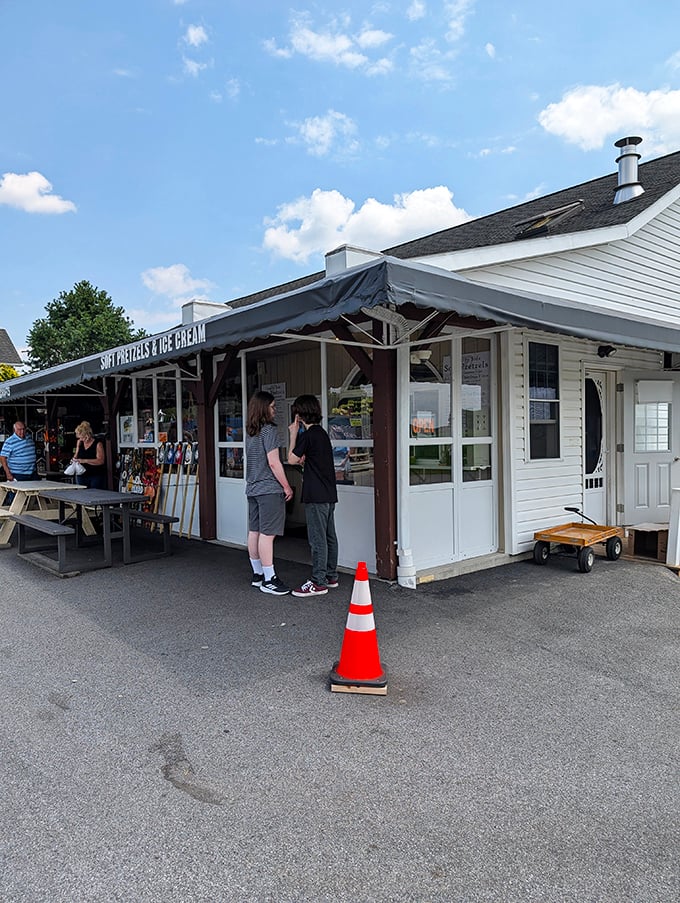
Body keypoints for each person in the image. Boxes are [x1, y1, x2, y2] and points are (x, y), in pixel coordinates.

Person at [287, 394, 339, 597]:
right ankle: (330, 575)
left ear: (299, 415)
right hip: (328, 492)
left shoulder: (307, 435)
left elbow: (291, 459)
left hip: (315, 494)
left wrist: (293, 435)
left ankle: (318, 581)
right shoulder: (322, 433)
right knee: (329, 536)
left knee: (317, 539)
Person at [245, 391, 293, 595]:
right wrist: (286, 486)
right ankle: (270, 578)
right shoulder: (269, 431)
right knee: (268, 534)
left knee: (254, 532)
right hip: (268, 489)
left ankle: (258, 574)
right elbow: (274, 462)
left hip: (253, 487)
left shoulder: (250, 432)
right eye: (273, 407)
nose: (275, 410)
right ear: (264, 408)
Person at [72, 421, 107, 489]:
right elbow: (76, 455)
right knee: (82, 494)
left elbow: (101, 461)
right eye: (79, 437)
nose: (81, 439)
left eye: (82, 437)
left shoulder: (98, 444)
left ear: (87, 435)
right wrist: (74, 460)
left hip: (95, 475)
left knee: (95, 494)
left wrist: (84, 460)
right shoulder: (80, 442)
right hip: (81, 474)